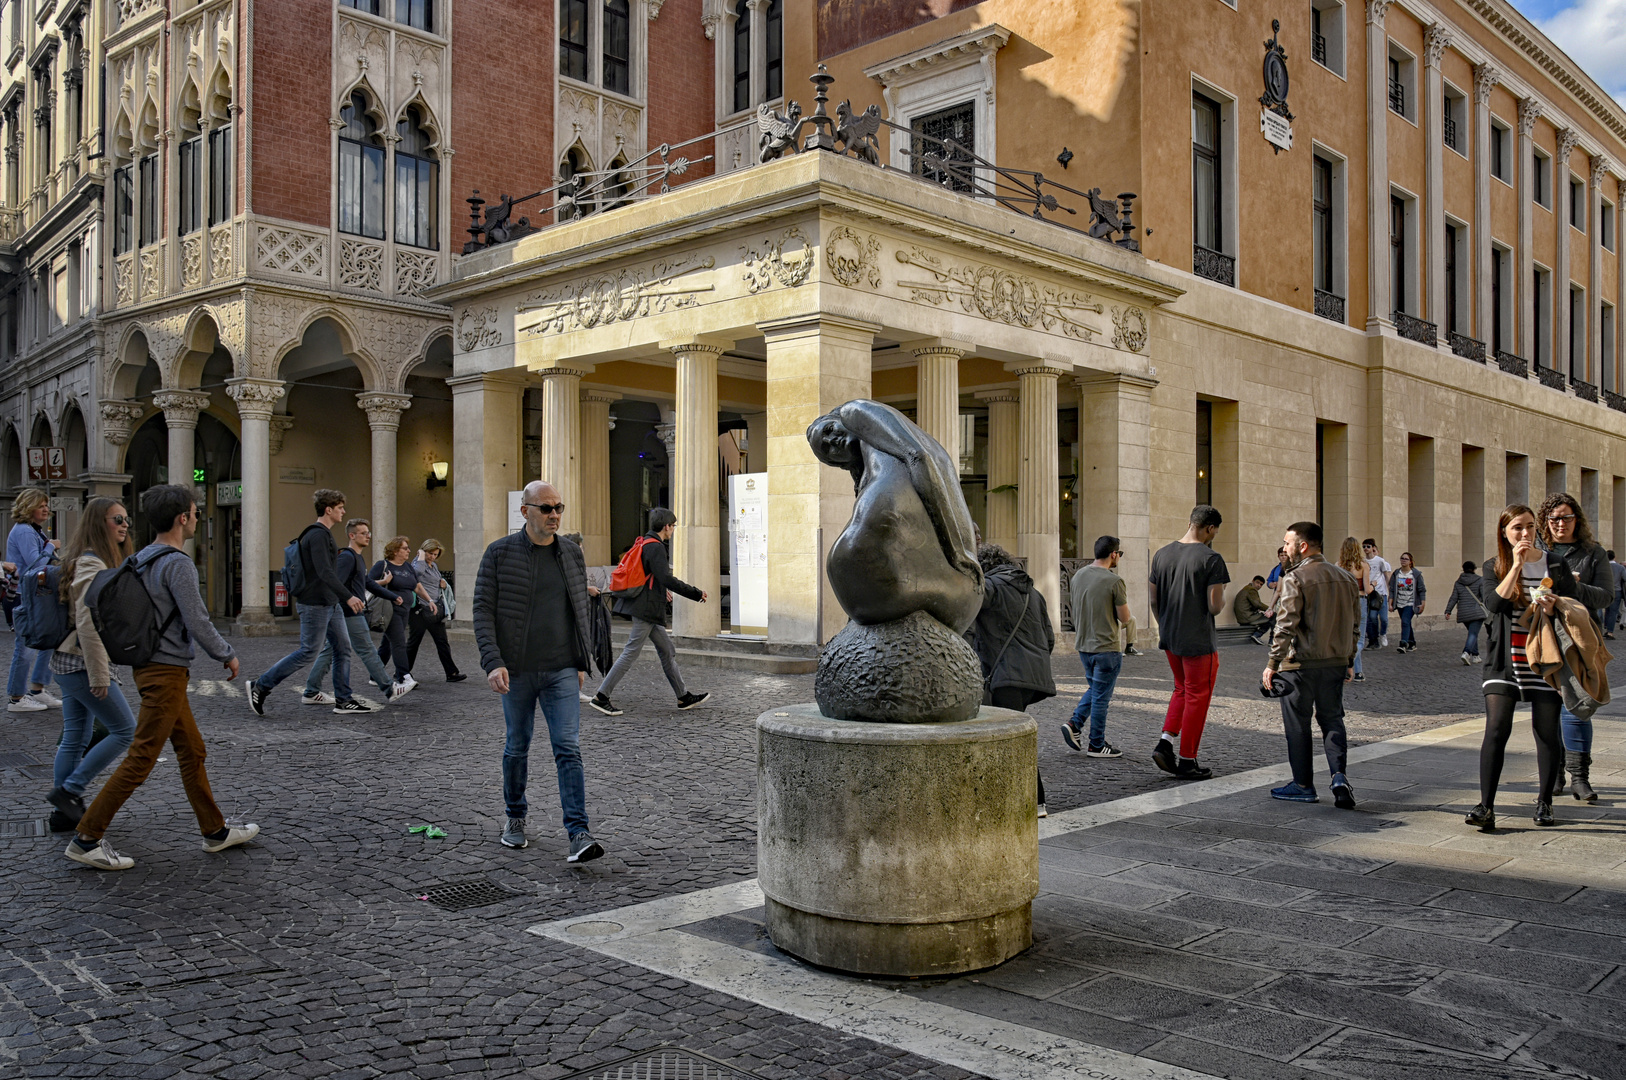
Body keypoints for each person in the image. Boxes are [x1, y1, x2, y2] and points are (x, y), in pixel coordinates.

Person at [66, 484, 256, 870]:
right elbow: (197, 618)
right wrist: (227, 654)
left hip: (150, 666)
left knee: (192, 749)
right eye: (195, 512)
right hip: (165, 671)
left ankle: (215, 830)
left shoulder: (140, 558)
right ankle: (87, 837)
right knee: (141, 756)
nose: (197, 518)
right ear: (182, 518)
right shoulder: (177, 562)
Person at [473, 480, 602, 861]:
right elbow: (482, 610)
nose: (554, 515)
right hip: (517, 670)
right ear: (525, 511)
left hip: (561, 668)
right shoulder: (499, 553)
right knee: (517, 745)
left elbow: (577, 608)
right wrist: (493, 661)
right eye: (546, 508)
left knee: (568, 747)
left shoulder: (570, 553)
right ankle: (515, 818)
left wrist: (580, 660)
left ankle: (579, 832)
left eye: (559, 507)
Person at [1467, 503, 1573, 831]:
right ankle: (1486, 806)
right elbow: (1495, 605)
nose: (1525, 533)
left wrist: (1556, 604)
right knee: (1496, 729)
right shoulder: (1493, 566)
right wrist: (1514, 566)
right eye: (1517, 528)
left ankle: (1544, 802)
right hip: (1504, 660)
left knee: (1545, 730)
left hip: (1545, 659)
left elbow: (1573, 607)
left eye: (1529, 527)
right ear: (1504, 532)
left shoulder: (1554, 564)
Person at [42, 497, 137, 832]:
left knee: (75, 737)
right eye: (117, 519)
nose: (124, 524)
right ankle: (70, 792)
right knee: (125, 730)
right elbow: (87, 622)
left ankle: (61, 814)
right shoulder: (91, 563)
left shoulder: (93, 560)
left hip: (68, 660)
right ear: (100, 523)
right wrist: (100, 673)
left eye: (126, 519)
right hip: (79, 663)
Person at [1262, 521, 1360, 808]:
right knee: (1332, 719)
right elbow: (1355, 624)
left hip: (1299, 665)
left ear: (1303, 546)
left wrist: (1272, 662)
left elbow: (1286, 623)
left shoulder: (1296, 577)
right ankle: (1339, 776)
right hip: (1335, 662)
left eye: (1288, 542)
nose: (1285, 547)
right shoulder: (1345, 578)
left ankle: (1303, 784)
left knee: (1298, 724)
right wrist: (1350, 659)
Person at [247, 489, 365, 716]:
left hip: (329, 603)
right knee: (308, 651)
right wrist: (348, 596)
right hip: (315, 604)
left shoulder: (322, 534)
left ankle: (344, 700)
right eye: (340, 508)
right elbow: (324, 572)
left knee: (343, 649)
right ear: (328, 509)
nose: (344, 511)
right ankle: (261, 686)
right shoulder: (318, 535)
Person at [588, 508, 710, 716]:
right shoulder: (656, 547)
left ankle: (683, 696)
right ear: (666, 526)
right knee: (630, 652)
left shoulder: (645, 543)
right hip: (646, 610)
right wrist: (696, 593)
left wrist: (663, 593)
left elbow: (653, 578)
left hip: (647, 607)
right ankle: (601, 696)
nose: (673, 530)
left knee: (667, 650)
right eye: (673, 526)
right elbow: (665, 578)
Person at [1536, 492, 1612, 804]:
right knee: (1549, 706)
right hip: (1544, 635)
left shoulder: (1593, 552)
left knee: (1578, 705)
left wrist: (1573, 586)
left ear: (1576, 519)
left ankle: (1580, 776)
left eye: (1566, 518)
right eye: (1553, 519)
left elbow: (1606, 596)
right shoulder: (1537, 552)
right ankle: (1554, 774)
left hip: (1580, 637)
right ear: (1545, 523)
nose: (1560, 524)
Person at [973, 542, 1056, 816]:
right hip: (1031, 676)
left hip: (1006, 675)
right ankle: (1020, 798)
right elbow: (1049, 638)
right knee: (1011, 735)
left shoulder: (992, 588)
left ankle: (1034, 801)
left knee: (1012, 740)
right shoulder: (1034, 593)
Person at [1148, 505, 1230, 780]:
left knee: (1181, 690)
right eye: (1215, 531)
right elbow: (1215, 606)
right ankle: (1187, 759)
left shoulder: (1161, 554)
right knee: (1197, 696)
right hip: (1198, 640)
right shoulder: (1212, 559)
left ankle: (1165, 742)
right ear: (1209, 528)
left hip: (1170, 636)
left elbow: (1153, 600)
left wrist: (1165, 625)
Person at [302, 518, 406, 709]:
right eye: (363, 533)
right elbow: (336, 584)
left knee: (330, 651)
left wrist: (391, 596)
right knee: (366, 648)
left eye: (369, 533)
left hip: (348, 611)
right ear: (352, 535)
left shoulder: (357, 558)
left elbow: (367, 583)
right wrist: (349, 599)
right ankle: (389, 688)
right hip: (348, 612)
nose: (368, 536)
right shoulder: (347, 557)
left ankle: (311, 691)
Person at [1062, 535, 1130, 758]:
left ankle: (1074, 725)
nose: (1118, 557)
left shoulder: (1078, 575)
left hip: (1084, 645)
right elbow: (1125, 617)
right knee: (1101, 698)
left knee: (1096, 690)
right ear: (1113, 554)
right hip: (1106, 647)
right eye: (1119, 554)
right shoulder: (1114, 581)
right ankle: (1097, 744)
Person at [7, 487, 61, 713]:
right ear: (29, 508)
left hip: (36, 594)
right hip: (26, 595)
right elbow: (34, 565)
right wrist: (51, 546)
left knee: (49, 639)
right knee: (26, 646)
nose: (46, 509)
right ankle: (16, 698)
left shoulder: (32, 530)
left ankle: (37, 688)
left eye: (46, 505)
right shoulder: (25, 532)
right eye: (41, 506)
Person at [373, 536, 438, 690]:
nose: (409, 550)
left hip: (405, 611)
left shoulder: (407, 567)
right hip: (390, 610)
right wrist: (384, 582)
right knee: (399, 642)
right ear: (395, 550)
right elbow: (367, 583)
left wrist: (429, 601)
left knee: (388, 643)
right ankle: (403, 676)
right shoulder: (383, 565)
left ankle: (374, 674)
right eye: (405, 548)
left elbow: (417, 586)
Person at [406, 539, 465, 682]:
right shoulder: (417, 564)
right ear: (423, 551)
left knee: (442, 642)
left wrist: (443, 585)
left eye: (435, 554)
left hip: (433, 609)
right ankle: (403, 672)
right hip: (419, 610)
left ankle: (451, 673)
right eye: (429, 553)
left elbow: (435, 583)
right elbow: (416, 574)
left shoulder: (434, 566)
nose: (432, 557)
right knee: (414, 642)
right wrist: (420, 556)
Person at [1335, 537, 1371, 682]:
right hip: (1359, 600)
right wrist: (1373, 585)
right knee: (1359, 638)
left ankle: (1358, 672)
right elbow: (1367, 589)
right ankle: (1346, 664)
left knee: (1348, 636)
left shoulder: (1338, 565)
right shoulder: (1363, 565)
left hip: (1343, 603)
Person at [1443, 560, 1487, 665]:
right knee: (1473, 633)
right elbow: (1484, 596)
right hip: (1477, 612)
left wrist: (1448, 610)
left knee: (1472, 633)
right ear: (1474, 569)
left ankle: (1476, 656)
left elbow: (1454, 598)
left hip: (1463, 612)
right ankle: (1466, 652)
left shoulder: (1458, 582)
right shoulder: (1480, 580)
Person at [1388, 552, 1426, 653]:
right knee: (1407, 623)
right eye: (1402, 558)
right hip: (1400, 602)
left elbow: (1422, 590)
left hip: (1411, 603)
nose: (1403, 560)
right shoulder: (1396, 573)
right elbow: (1392, 589)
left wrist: (1422, 603)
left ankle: (1403, 644)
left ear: (1410, 562)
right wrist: (1390, 603)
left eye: (1406, 559)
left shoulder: (1416, 574)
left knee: (1405, 621)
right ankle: (1412, 642)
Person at [1362, 539, 1392, 648]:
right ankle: (1374, 639)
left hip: (1381, 593)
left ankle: (1383, 633)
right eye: (1364, 546)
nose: (1366, 548)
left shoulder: (1380, 561)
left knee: (1384, 618)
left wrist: (1390, 593)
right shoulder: (1363, 562)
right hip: (1370, 593)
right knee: (1372, 617)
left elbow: (1386, 576)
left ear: (1373, 548)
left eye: (1368, 546)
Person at [1605, 550, 1625, 640]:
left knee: (1607, 610)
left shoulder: (1603, 566)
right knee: (1613, 612)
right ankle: (1610, 632)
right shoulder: (1620, 567)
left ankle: (1606, 627)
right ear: (1614, 557)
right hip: (1616, 591)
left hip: (1605, 590)